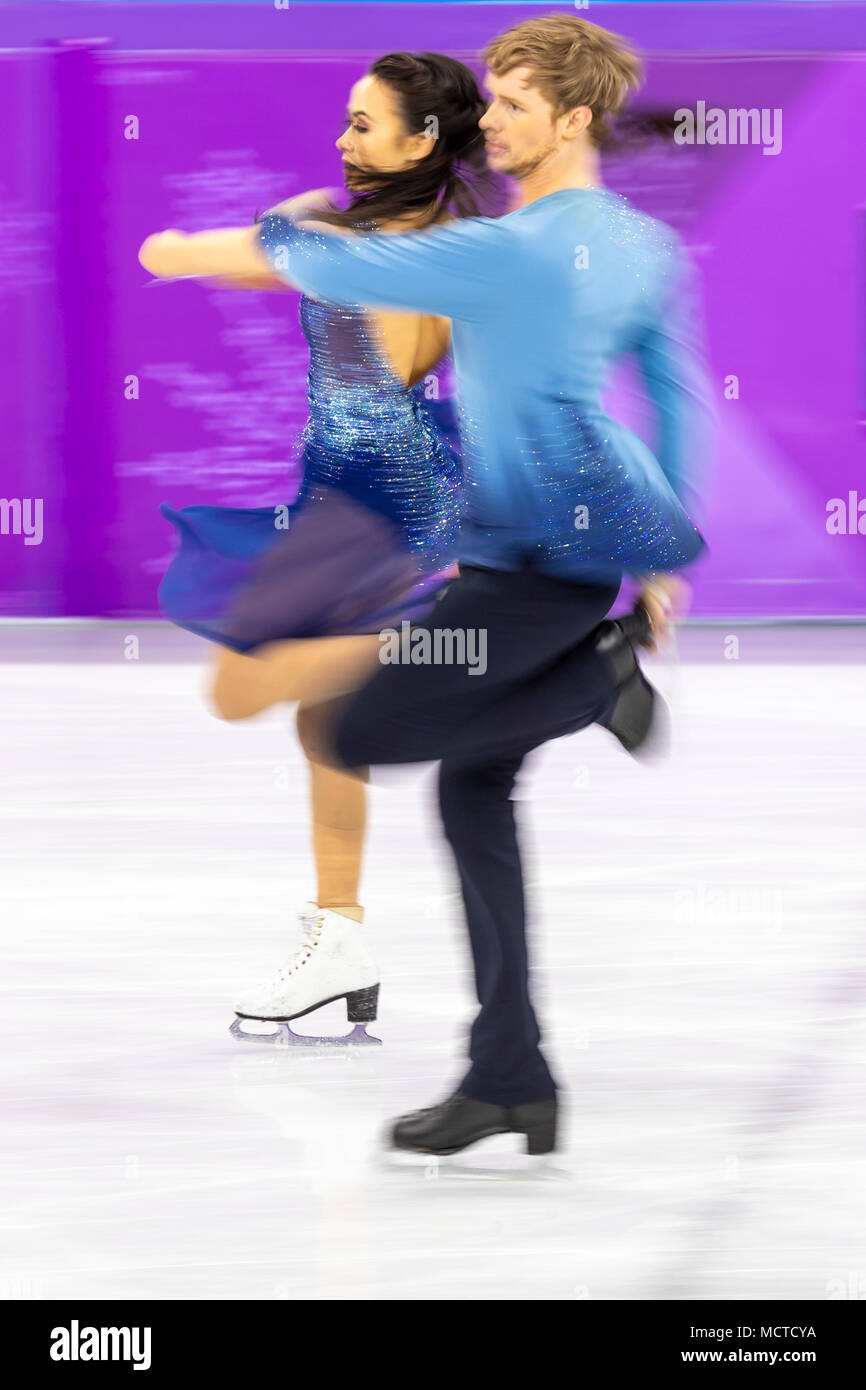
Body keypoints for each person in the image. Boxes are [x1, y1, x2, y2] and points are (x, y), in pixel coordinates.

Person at [143, 13, 713, 1153]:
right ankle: (510, 1077)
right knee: (469, 793)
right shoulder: (641, 248)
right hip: (557, 549)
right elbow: (677, 396)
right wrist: (661, 559)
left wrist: (286, 219)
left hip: (531, 564)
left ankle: (592, 685)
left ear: (570, 117)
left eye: (507, 103)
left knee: (362, 718)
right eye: (488, 100)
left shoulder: (506, 247)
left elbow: (324, 258)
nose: (487, 118)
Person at [139, 52, 501, 1045]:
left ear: (421, 138)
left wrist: (199, 238)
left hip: (373, 497)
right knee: (323, 723)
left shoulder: (380, 248)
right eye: (343, 123)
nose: (342, 142)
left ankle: (470, 648)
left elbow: (173, 256)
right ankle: (337, 938)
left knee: (238, 688)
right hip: (367, 486)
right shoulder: (409, 236)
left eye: (362, 124)